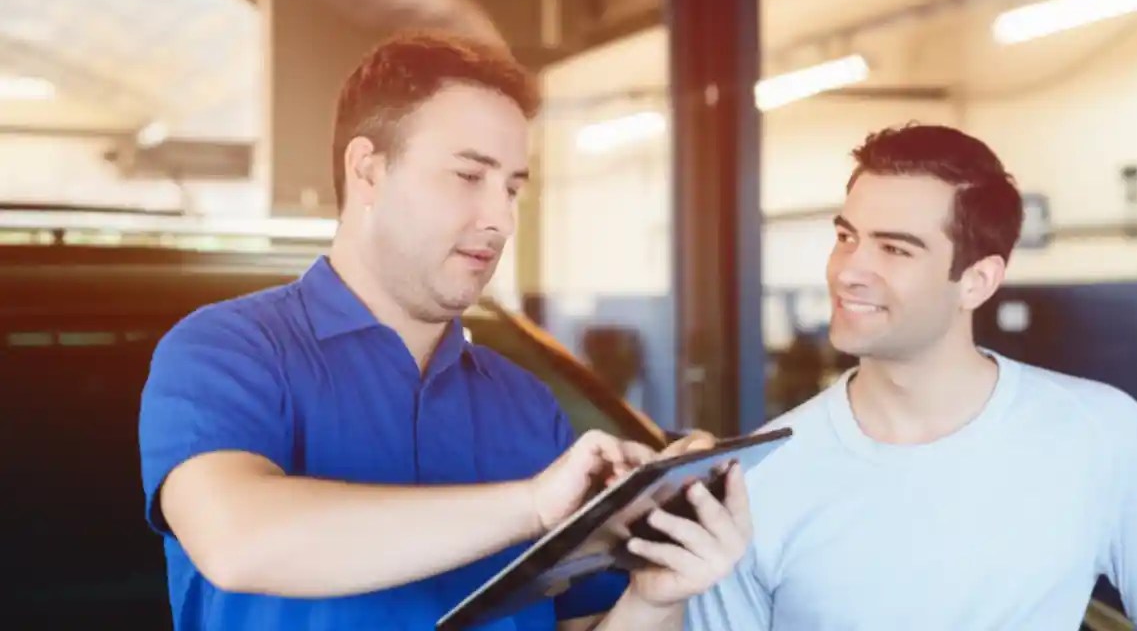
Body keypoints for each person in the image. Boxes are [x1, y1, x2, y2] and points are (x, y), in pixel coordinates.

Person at [138, 31, 752, 631]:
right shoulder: (228, 351)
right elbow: (239, 540)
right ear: (368, 171)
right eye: (468, 177)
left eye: (513, 188)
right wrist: (533, 506)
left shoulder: (527, 406)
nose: (501, 218)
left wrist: (655, 598)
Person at [685, 124, 1137, 630]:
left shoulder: (1104, 436)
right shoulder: (756, 480)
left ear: (977, 281)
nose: (849, 270)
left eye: (895, 248)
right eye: (847, 236)